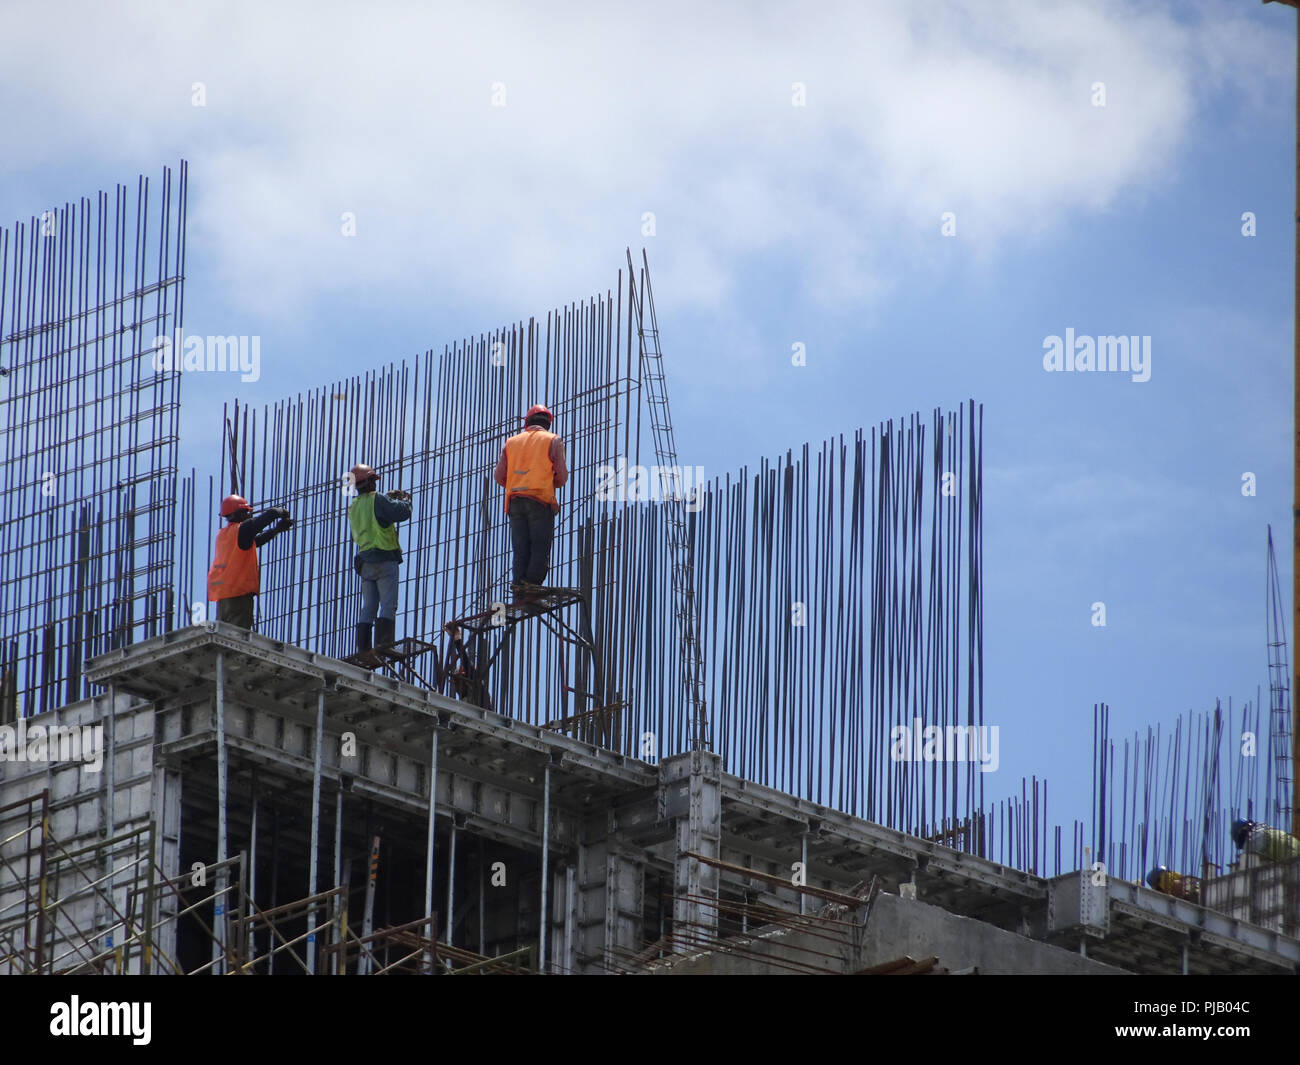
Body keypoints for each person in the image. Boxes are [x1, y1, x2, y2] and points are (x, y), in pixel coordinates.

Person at [494, 404, 568, 597]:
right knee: (539, 545)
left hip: (515, 500)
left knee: (520, 547)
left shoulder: (511, 442)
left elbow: (499, 476)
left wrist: (517, 482)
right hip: (540, 499)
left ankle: (519, 586)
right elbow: (561, 478)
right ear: (548, 424)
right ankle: (532, 585)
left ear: (527, 422)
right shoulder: (553, 440)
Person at [347, 462, 412, 654]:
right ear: (370, 482)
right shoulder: (378, 499)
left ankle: (364, 648)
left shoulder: (354, 508)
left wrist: (389, 500)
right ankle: (384, 645)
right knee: (388, 605)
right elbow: (401, 512)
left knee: (368, 607)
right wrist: (405, 499)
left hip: (366, 563)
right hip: (385, 560)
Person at [206, 494, 293, 629]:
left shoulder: (224, 535)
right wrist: (280, 512)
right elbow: (263, 520)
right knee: (238, 636)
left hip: (223, 596)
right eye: (246, 512)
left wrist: (276, 530)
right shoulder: (242, 528)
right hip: (239, 593)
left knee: (223, 633)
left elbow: (254, 542)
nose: (248, 515)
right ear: (239, 513)